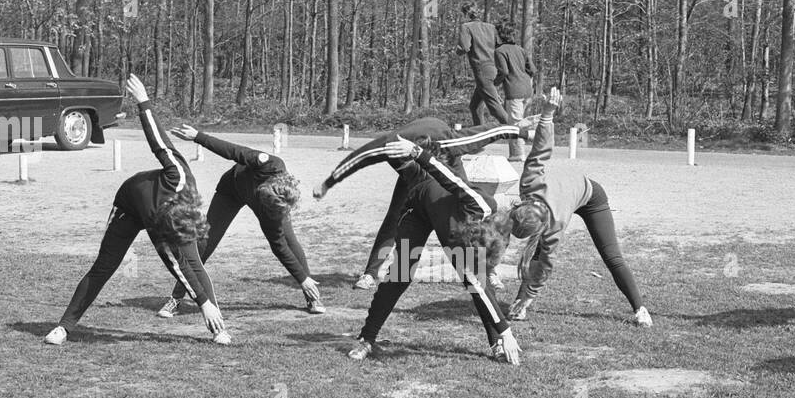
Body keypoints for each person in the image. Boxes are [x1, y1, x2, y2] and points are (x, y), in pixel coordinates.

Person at [43, 74, 227, 346]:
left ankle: (217, 326)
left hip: (157, 214)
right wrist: (144, 102)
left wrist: (204, 304)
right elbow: (158, 141)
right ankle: (64, 327)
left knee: (193, 263)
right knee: (104, 266)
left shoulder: (178, 220)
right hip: (129, 204)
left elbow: (178, 266)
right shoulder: (177, 173)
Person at [339, 136, 521, 364]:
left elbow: (478, 284)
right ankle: (367, 338)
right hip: (418, 207)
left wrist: (505, 332)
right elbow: (447, 176)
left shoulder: (487, 231)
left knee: (475, 281)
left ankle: (496, 342)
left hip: (448, 217)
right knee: (401, 275)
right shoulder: (477, 204)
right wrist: (417, 152)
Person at [316, 120, 522, 290]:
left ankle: (487, 270)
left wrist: (524, 131)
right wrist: (327, 183)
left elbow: (492, 131)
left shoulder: (450, 142)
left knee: (469, 215)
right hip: (411, 174)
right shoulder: (390, 146)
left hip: (446, 163)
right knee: (394, 218)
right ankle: (370, 273)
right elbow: (357, 158)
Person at [507, 87, 652, 327]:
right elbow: (541, 148)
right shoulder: (529, 182)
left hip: (591, 196)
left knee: (611, 256)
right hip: (563, 196)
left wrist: (549, 113)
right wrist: (546, 114)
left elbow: (544, 265)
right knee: (537, 252)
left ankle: (640, 309)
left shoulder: (554, 226)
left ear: (541, 226)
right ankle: (521, 303)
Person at [157, 125, 324, 317]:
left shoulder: (274, 209)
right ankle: (176, 299)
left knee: (289, 240)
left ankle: (311, 294)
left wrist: (302, 278)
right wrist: (198, 136)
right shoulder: (269, 164)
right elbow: (234, 151)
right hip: (231, 190)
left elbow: (278, 246)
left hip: (267, 206)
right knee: (204, 244)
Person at [456, 3, 510, 126]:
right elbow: (500, 47)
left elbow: (464, 47)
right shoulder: (491, 27)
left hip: (482, 71)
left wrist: (457, 51)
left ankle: (517, 130)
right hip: (494, 69)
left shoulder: (466, 27)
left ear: (465, 14)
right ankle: (479, 138)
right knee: (475, 106)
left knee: (494, 107)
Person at [493, 21, 535, 162]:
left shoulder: (499, 51)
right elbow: (532, 70)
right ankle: (535, 132)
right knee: (521, 121)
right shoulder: (520, 49)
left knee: (514, 124)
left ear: (500, 35)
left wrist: (494, 84)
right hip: (528, 90)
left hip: (514, 91)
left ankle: (518, 154)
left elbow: (503, 71)